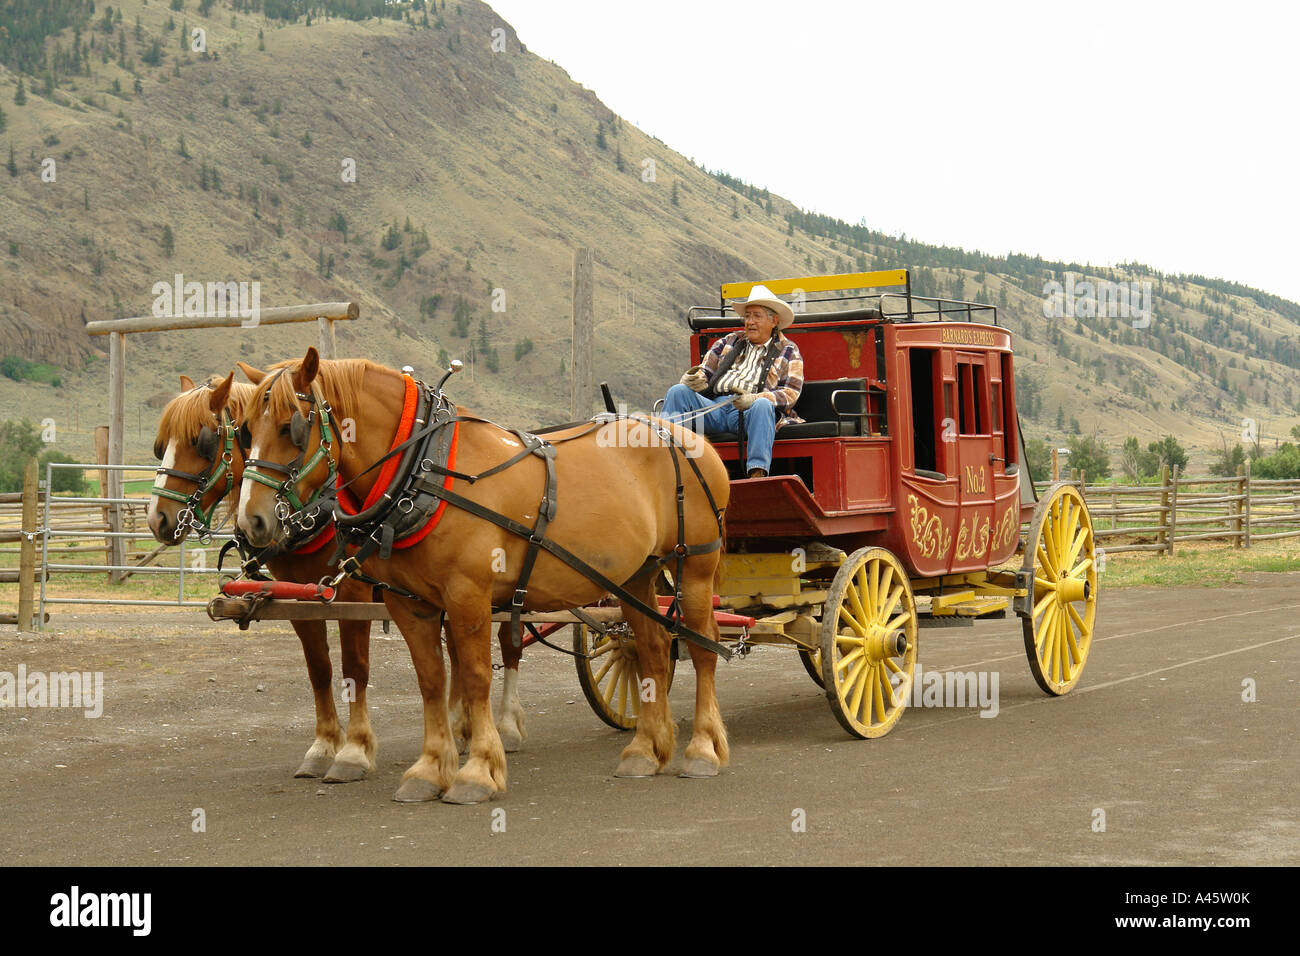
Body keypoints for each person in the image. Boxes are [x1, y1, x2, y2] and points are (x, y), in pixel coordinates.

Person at [662, 284, 804, 478]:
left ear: (774, 321)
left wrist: (753, 399)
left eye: (756, 316)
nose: (750, 322)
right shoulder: (729, 341)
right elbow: (706, 372)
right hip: (714, 408)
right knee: (677, 391)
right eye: (747, 316)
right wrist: (694, 379)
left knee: (763, 405)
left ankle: (757, 474)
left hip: (750, 413)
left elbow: (790, 394)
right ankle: (664, 465)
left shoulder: (788, 350)